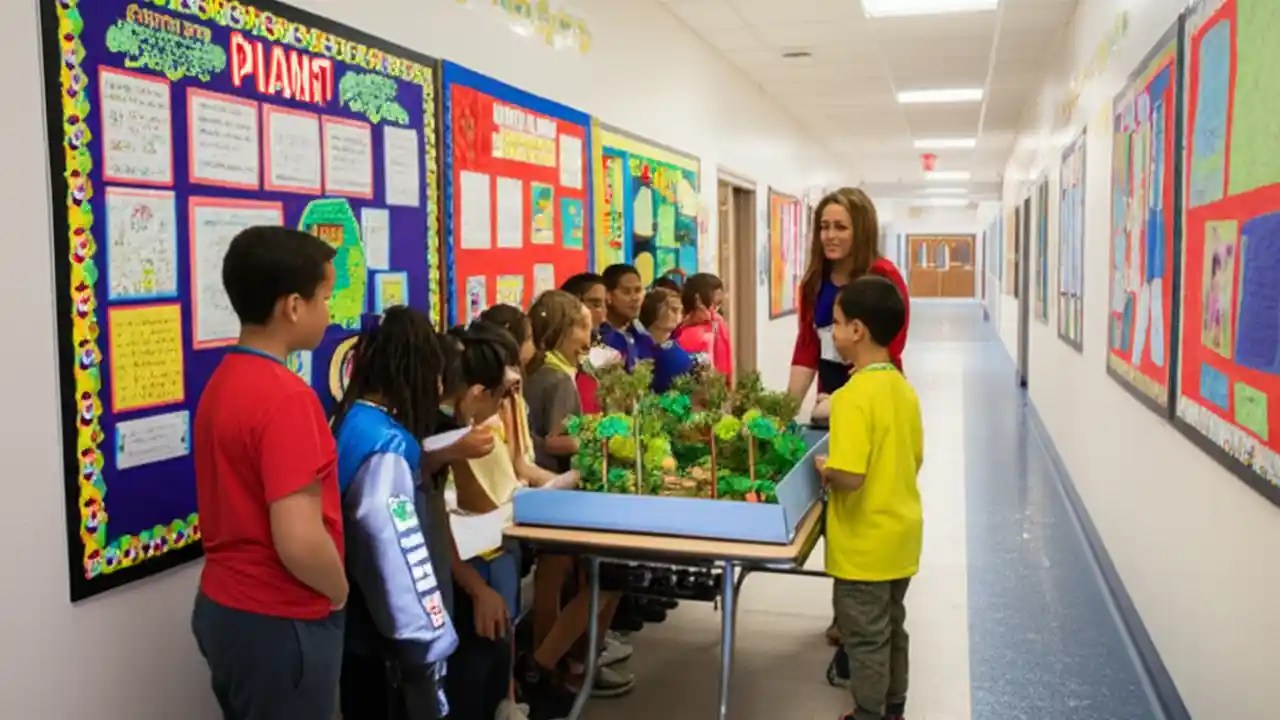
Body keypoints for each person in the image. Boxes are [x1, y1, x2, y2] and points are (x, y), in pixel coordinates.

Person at [191, 226, 347, 720]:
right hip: (281, 619)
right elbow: (299, 539)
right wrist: (339, 591)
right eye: (325, 297)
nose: (330, 311)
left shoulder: (223, 381)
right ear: (294, 307)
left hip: (225, 607)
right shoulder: (287, 398)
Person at [331, 307, 458, 720]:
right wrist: (425, 640)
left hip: (359, 626)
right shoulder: (386, 445)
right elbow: (396, 551)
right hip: (384, 637)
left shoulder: (353, 419)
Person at [814, 276, 923, 720]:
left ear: (856, 330)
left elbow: (851, 476)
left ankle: (867, 713)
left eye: (836, 324)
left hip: (864, 546)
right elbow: (915, 456)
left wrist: (825, 470)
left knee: (864, 636)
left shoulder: (854, 396)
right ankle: (893, 707)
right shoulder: (901, 387)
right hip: (900, 536)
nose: (832, 333)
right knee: (893, 628)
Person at [520, 290, 635, 706]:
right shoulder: (557, 378)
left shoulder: (543, 372)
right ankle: (554, 665)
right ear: (562, 330)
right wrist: (603, 431)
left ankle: (555, 663)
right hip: (556, 490)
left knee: (559, 580)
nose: (591, 335)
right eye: (584, 326)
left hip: (544, 492)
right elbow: (557, 439)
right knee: (587, 579)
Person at [435, 323, 529, 720]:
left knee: (489, 665)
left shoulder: (451, 432)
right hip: (465, 571)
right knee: (471, 678)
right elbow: (440, 525)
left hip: (477, 562)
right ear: (476, 394)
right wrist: (476, 588)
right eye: (497, 398)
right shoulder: (444, 439)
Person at [789, 187, 910, 402]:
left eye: (841, 227)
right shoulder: (815, 282)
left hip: (875, 396)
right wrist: (786, 410)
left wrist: (846, 400)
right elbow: (807, 346)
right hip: (828, 395)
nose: (830, 236)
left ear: (861, 231)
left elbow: (891, 346)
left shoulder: (884, 276)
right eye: (824, 227)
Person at [559, 273, 612, 414]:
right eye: (595, 305)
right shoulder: (548, 361)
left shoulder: (605, 356)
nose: (602, 316)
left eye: (605, 305)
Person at [673, 272, 733, 382]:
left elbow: (718, 344)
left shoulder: (715, 323)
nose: (714, 309)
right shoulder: (677, 320)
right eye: (713, 303)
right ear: (698, 299)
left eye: (718, 305)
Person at [599, 263, 655, 370]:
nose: (635, 298)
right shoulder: (599, 339)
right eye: (626, 292)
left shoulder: (642, 336)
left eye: (638, 290)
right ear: (608, 296)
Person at [640, 287, 695, 392]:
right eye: (673, 309)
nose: (679, 315)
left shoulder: (676, 345)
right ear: (654, 310)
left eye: (680, 310)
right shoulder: (638, 348)